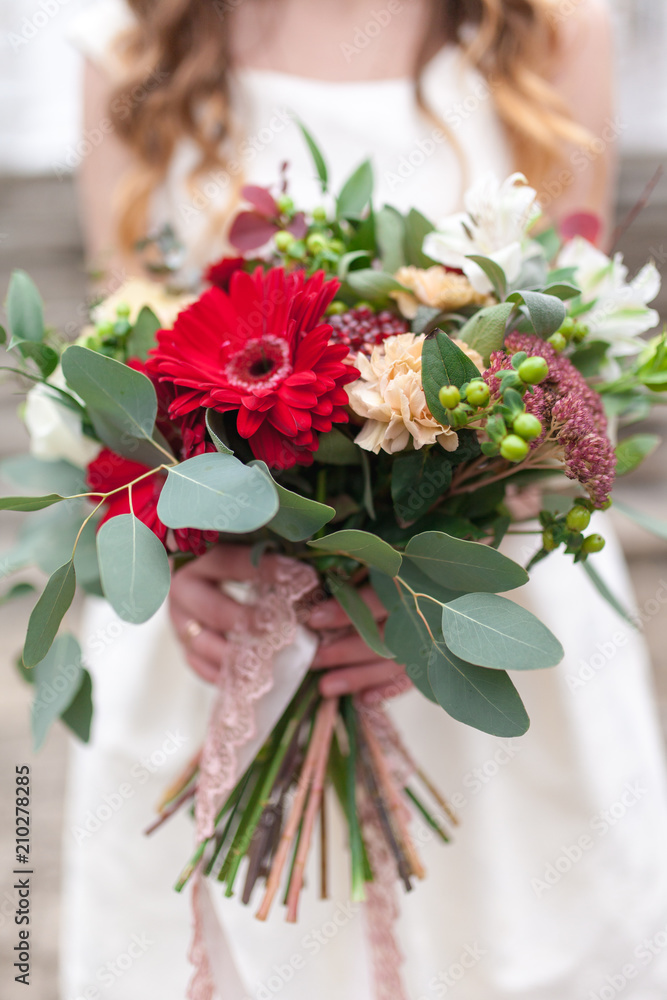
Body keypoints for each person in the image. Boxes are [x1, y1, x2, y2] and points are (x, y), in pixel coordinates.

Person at [62, 1, 667, 998]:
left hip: (478, 608)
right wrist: (179, 542)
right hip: (218, 616)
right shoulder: (136, 48)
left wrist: (427, 575)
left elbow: (555, 375)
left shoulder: (555, 36)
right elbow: (124, 356)